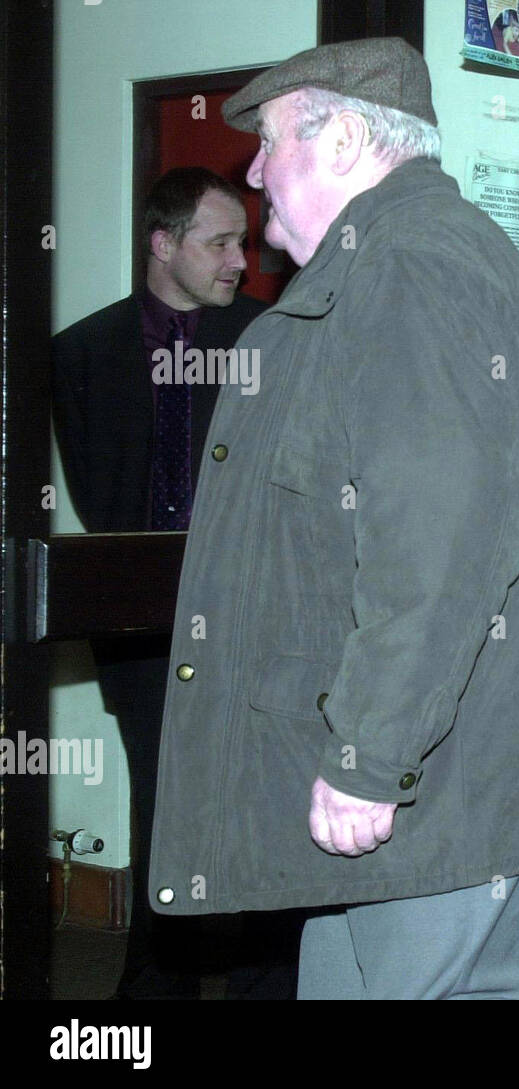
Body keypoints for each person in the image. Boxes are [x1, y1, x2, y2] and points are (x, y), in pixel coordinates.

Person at [145, 37, 519, 1000]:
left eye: (269, 142)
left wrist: (368, 755)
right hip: (450, 791)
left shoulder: (413, 269)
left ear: (345, 138)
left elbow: (444, 539)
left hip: (447, 790)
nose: (255, 175)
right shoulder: (402, 260)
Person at [51, 167, 266, 999]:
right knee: (159, 796)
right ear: (163, 244)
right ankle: (153, 983)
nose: (238, 261)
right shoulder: (83, 353)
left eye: (243, 241)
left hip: (248, 619)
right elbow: (100, 498)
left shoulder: (267, 338)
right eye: (218, 242)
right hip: (141, 631)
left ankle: (258, 976)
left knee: (250, 799)